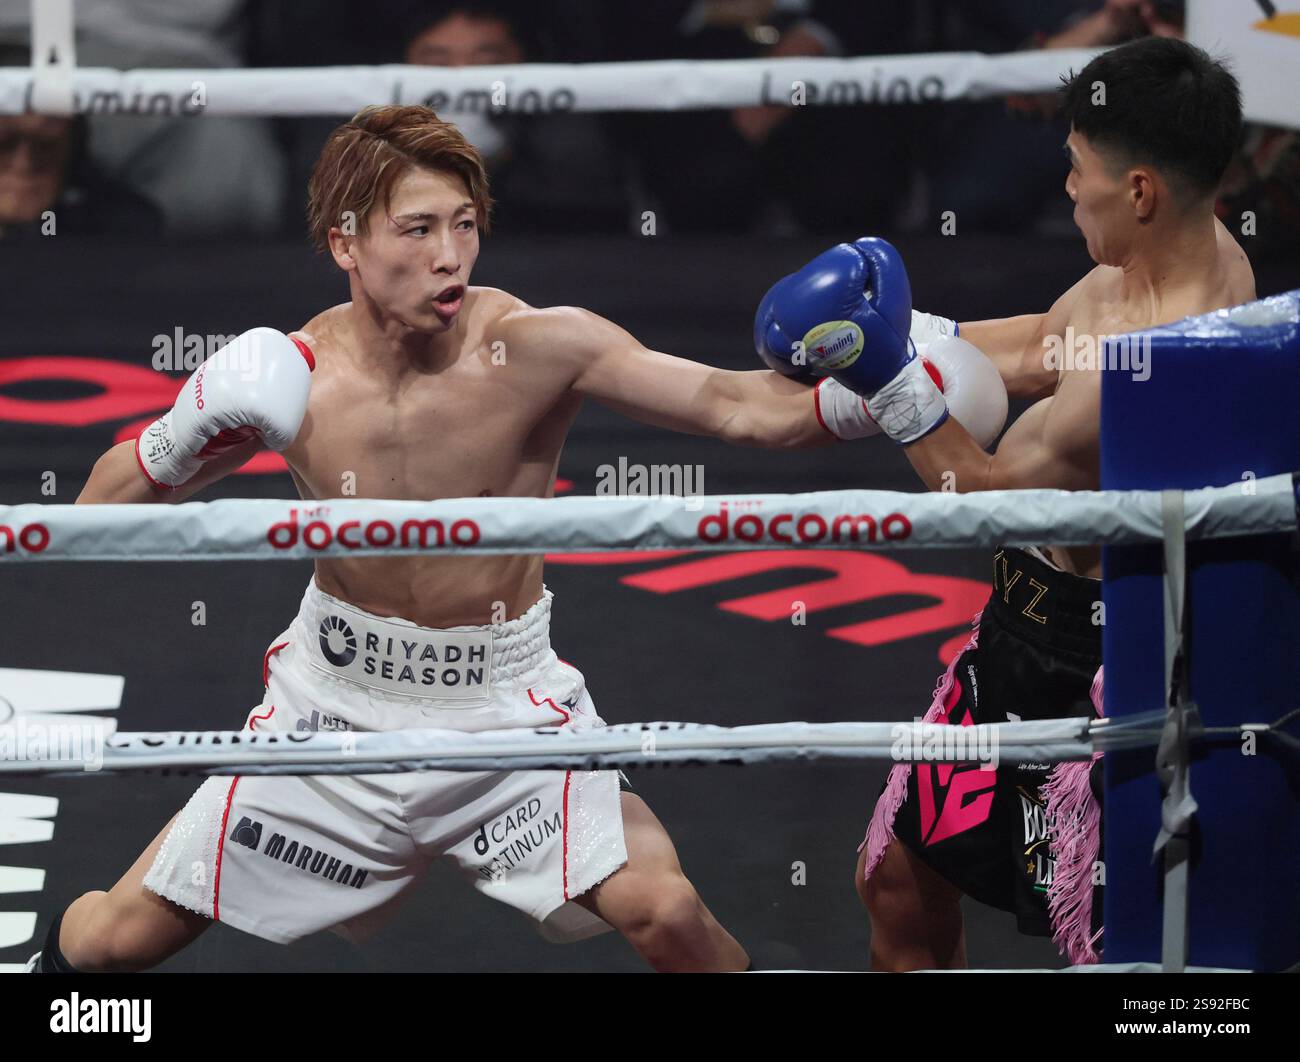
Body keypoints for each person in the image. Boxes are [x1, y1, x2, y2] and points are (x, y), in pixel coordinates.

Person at [28, 102, 998, 974]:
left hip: (507, 708)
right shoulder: (294, 375)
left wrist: (890, 372)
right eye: (417, 230)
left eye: (464, 224)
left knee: (665, 912)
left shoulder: (540, 346)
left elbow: (743, 411)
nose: (452, 255)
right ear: (345, 245)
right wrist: (178, 432)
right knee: (109, 944)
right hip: (329, 705)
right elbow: (91, 524)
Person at [755, 36, 1255, 969]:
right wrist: (905, 334)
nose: (1066, 189)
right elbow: (1039, 345)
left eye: (1077, 171)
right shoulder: (1162, 253)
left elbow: (974, 489)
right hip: (1019, 631)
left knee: (1103, 942)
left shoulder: (1156, 358)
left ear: (1139, 189)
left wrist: (890, 377)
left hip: (1103, 665)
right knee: (898, 880)